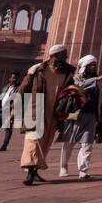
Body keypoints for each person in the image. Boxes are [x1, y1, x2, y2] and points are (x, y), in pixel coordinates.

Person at [17, 45, 73, 186]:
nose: (66, 57)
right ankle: (30, 173)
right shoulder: (37, 70)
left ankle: (35, 171)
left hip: (54, 114)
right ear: (54, 55)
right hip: (35, 111)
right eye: (63, 55)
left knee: (45, 143)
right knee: (33, 141)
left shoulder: (67, 73)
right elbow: (23, 89)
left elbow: (71, 91)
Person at [57, 54, 102, 179]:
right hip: (76, 115)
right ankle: (63, 166)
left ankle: (83, 170)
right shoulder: (76, 79)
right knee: (69, 142)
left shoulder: (99, 82)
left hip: (91, 115)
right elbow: (79, 87)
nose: (94, 67)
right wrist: (95, 80)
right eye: (91, 65)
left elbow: (101, 101)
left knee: (87, 144)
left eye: (95, 65)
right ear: (84, 67)